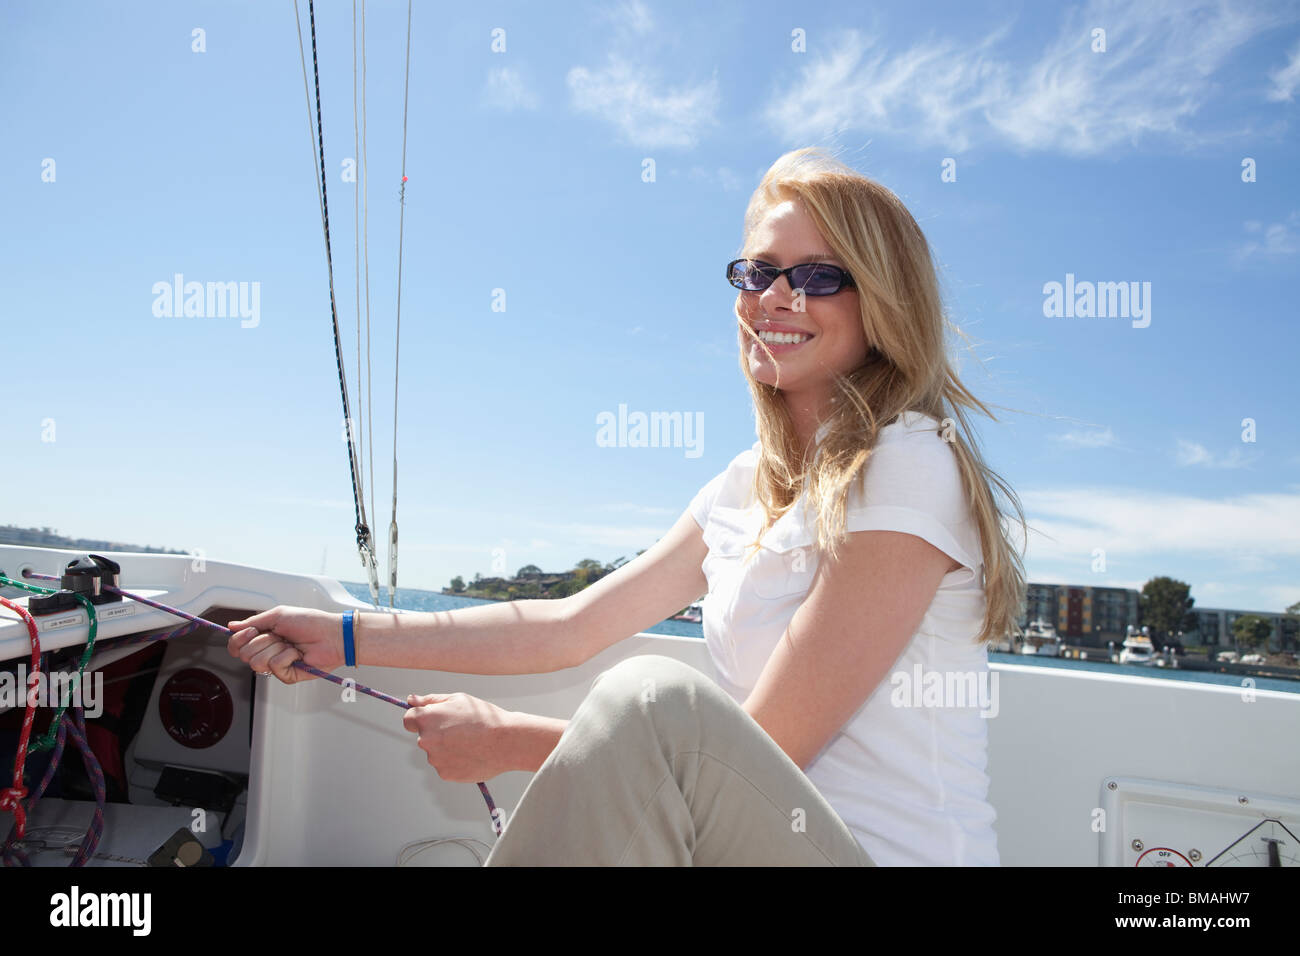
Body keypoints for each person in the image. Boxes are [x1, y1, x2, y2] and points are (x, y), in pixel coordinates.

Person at [227, 146, 1027, 866]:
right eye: (757, 272)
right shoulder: (742, 486)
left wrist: (508, 740)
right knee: (651, 705)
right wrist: (343, 635)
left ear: (883, 301)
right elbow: (567, 626)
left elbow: (760, 750)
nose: (776, 297)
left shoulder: (908, 465)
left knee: (652, 696)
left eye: (819, 277)